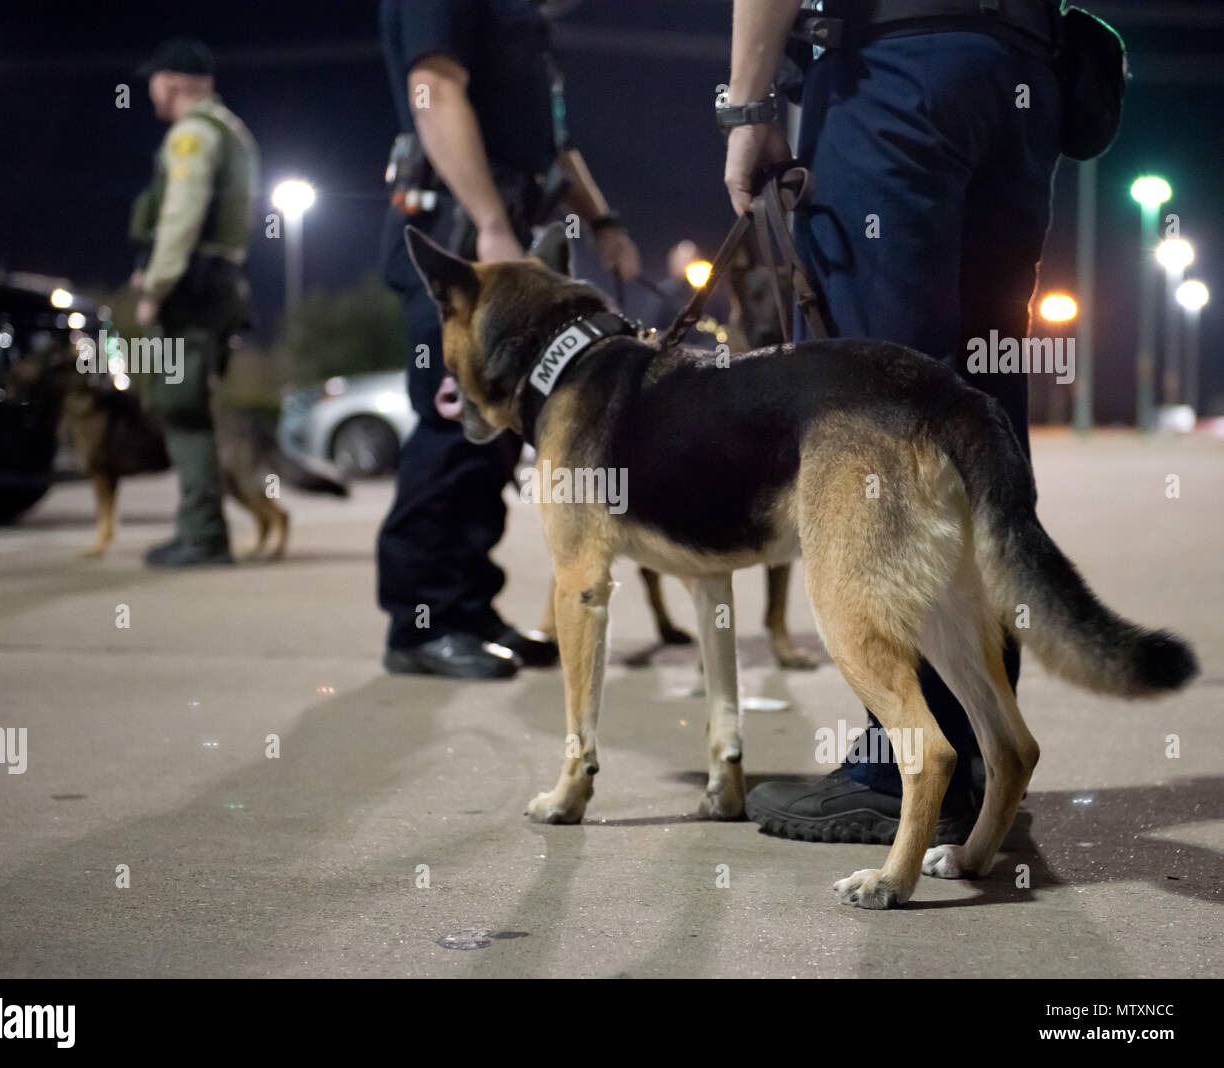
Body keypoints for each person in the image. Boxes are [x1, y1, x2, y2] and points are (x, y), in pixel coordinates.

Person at [721, 0, 1063, 841]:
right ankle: (982, 752)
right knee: (980, 411)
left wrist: (750, 107)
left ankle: (905, 765)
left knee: (872, 409)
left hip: (895, 67)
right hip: (1021, 72)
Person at [377, 0, 640, 679]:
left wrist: (603, 223)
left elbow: (554, 145)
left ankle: (468, 609)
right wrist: (490, 222)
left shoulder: (523, 19)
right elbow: (432, 90)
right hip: (463, 240)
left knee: (491, 440)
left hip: (511, 229)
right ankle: (421, 623)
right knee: (450, 426)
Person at [129, 37, 259, 567]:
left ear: (174, 81)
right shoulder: (234, 132)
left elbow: (182, 215)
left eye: (154, 79)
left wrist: (156, 287)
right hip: (221, 282)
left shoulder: (192, 134)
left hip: (192, 290)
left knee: (181, 409)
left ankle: (202, 534)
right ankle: (201, 529)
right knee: (192, 405)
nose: (150, 90)